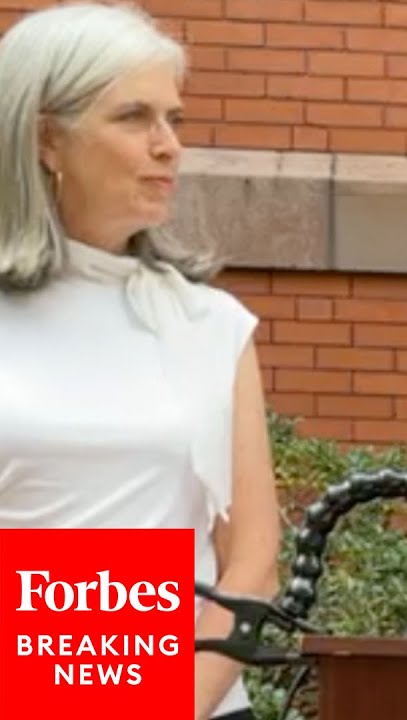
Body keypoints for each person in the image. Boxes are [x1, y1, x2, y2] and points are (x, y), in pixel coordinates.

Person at [0, 4, 280, 719]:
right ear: (46, 140)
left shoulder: (211, 323)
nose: (169, 146)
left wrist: (179, 704)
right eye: (133, 117)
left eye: (174, 119)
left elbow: (251, 556)